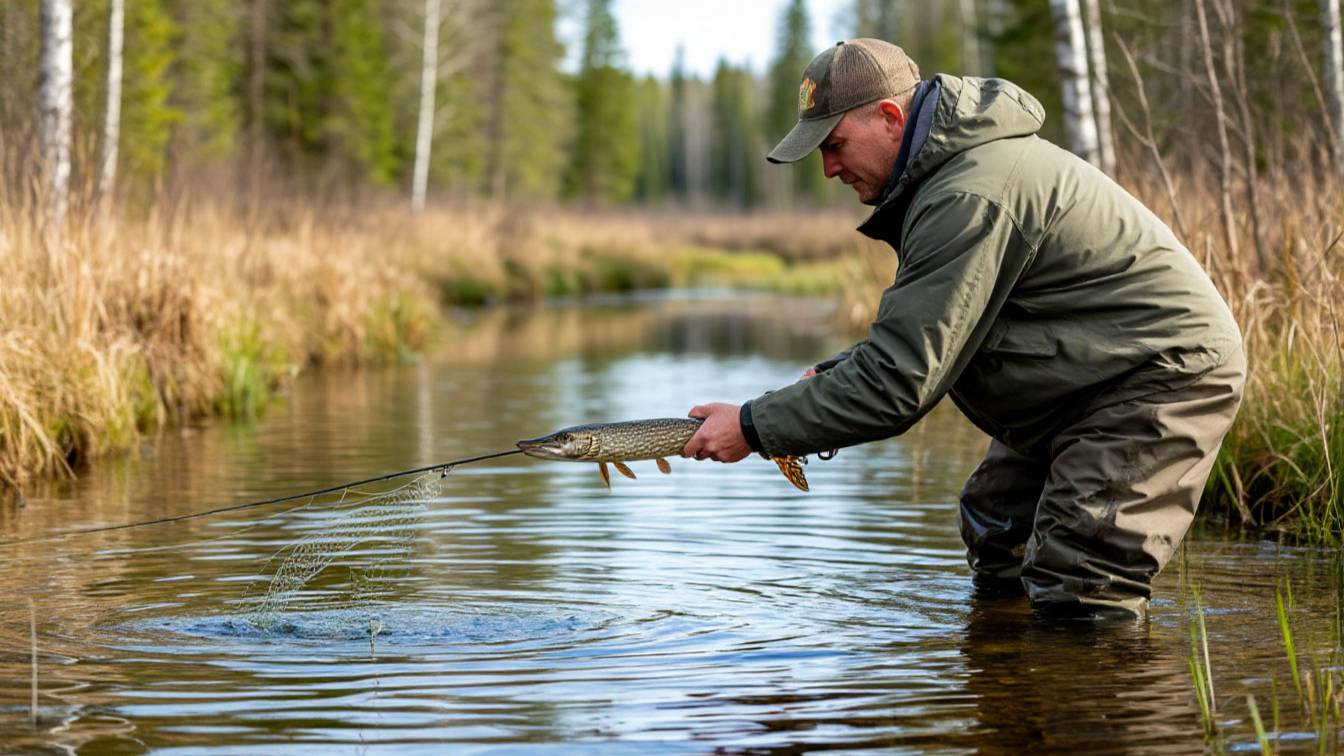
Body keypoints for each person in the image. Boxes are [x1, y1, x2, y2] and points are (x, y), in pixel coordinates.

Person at [681, 38, 1245, 619]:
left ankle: (1094, 693)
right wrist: (830, 377)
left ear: (891, 118)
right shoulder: (949, 181)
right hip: (1083, 376)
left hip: (1155, 373)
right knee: (997, 528)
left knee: (1080, 575)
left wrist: (752, 426)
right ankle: (1012, 689)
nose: (827, 169)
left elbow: (899, 385)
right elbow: (937, 332)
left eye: (835, 145)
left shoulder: (969, 194)